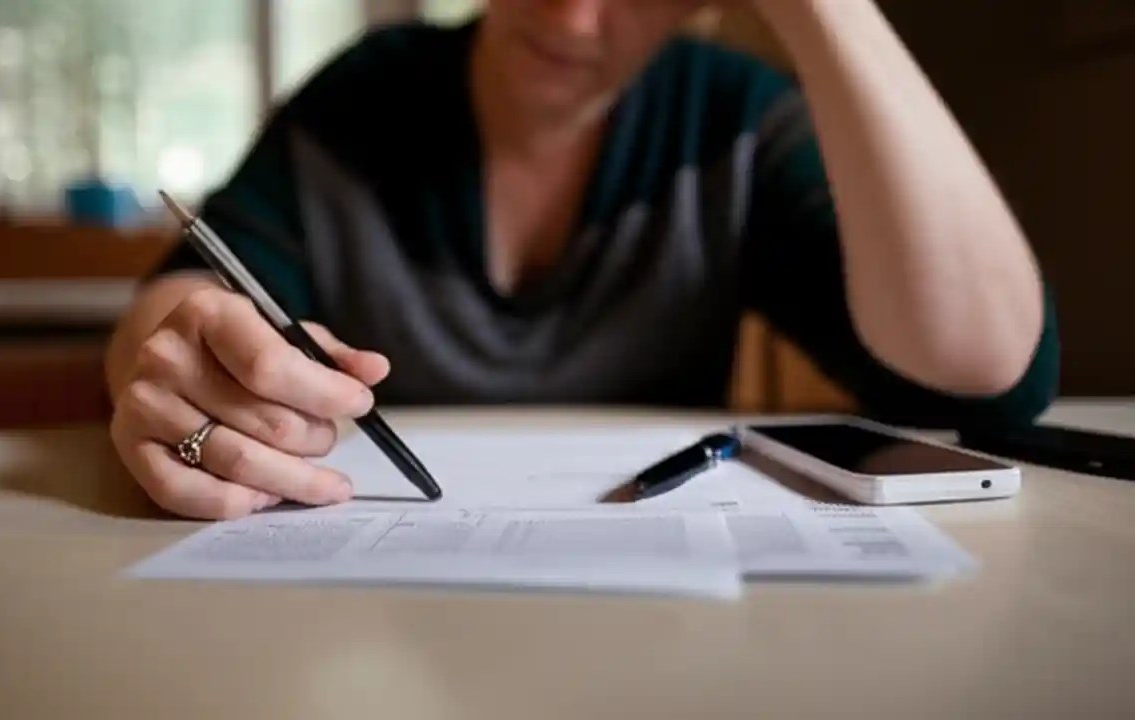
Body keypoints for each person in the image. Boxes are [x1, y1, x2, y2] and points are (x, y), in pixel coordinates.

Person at [105, 0, 1059, 520]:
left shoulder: (734, 123)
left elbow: (983, 380)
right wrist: (190, 362)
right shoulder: (362, 99)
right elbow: (185, 301)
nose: (571, 16)